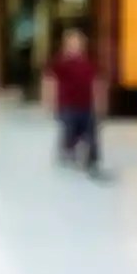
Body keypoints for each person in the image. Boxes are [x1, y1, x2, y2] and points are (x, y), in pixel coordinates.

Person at [44, 30, 103, 174]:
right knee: (70, 131)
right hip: (67, 106)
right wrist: (48, 102)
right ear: (65, 47)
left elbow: (96, 83)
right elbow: (49, 80)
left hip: (86, 106)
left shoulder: (89, 64)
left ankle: (92, 159)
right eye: (71, 44)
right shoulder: (61, 64)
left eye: (78, 44)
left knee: (91, 132)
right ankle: (67, 151)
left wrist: (99, 103)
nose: (75, 48)